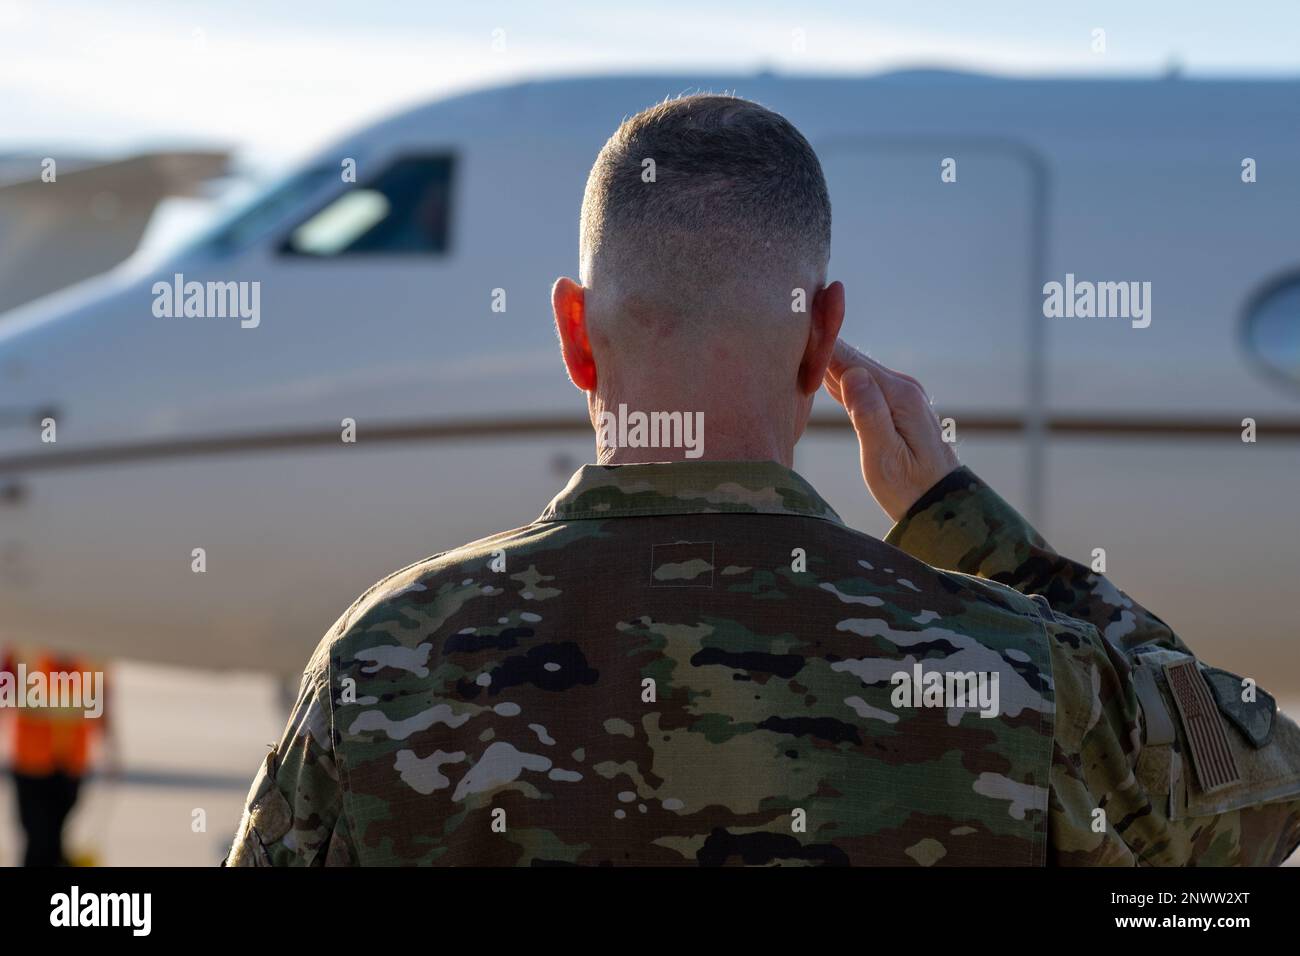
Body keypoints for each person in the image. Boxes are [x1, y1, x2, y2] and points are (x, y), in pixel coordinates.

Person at [227, 94, 1300, 866]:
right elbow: (1263, 785)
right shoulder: (1018, 673)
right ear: (822, 334)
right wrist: (974, 534)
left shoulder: (383, 661)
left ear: (573, 334)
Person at [1, 648, 110, 866]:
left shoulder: (91, 649)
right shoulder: (28, 644)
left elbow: (102, 690)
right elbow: (6, 682)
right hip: (33, 761)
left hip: (71, 760)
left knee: (53, 835)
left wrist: (106, 728)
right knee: (39, 837)